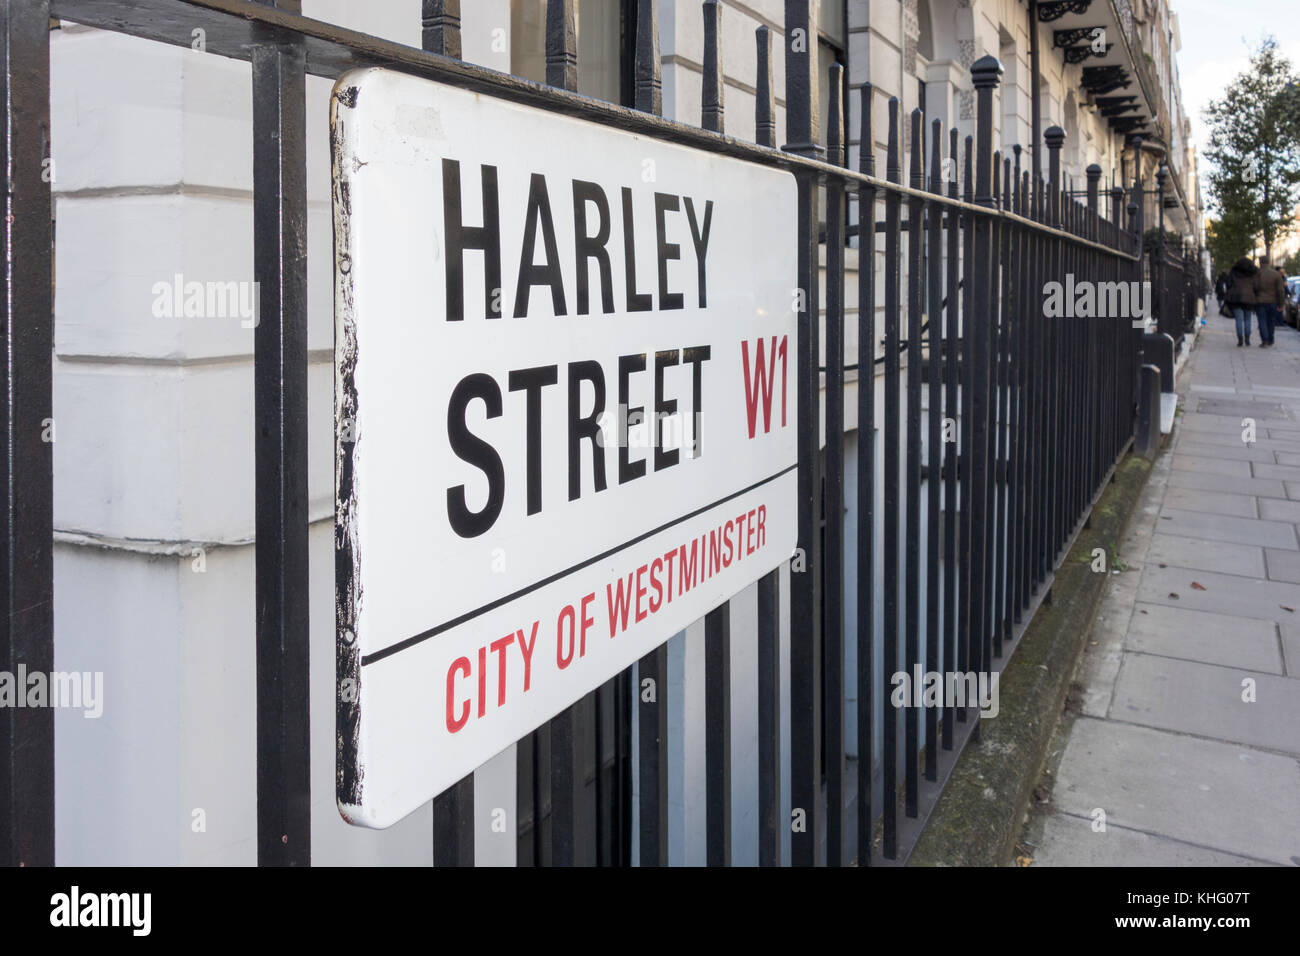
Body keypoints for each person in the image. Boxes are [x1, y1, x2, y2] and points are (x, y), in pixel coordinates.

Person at [1226, 256, 1260, 347]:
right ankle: (1247, 339)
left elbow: (1228, 284)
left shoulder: (1233, 272)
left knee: (1239, 319)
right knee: (1248, 319)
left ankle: (1240, 339)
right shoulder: (1253, 273)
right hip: (1249, 298)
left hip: (1236, 298)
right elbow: (1256, 286)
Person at [1256, 258, 1287, 347]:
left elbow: (1254, 287)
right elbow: (1281, 291)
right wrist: (1281, 304)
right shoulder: (1276, 274)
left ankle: (1265, 340)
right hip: (1273, 301)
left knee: (1262, 321)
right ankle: (1270, 339)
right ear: (1269, 263)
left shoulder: (1257, 274)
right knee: (1271, 321)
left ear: (1260, 262)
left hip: (1260, 301)